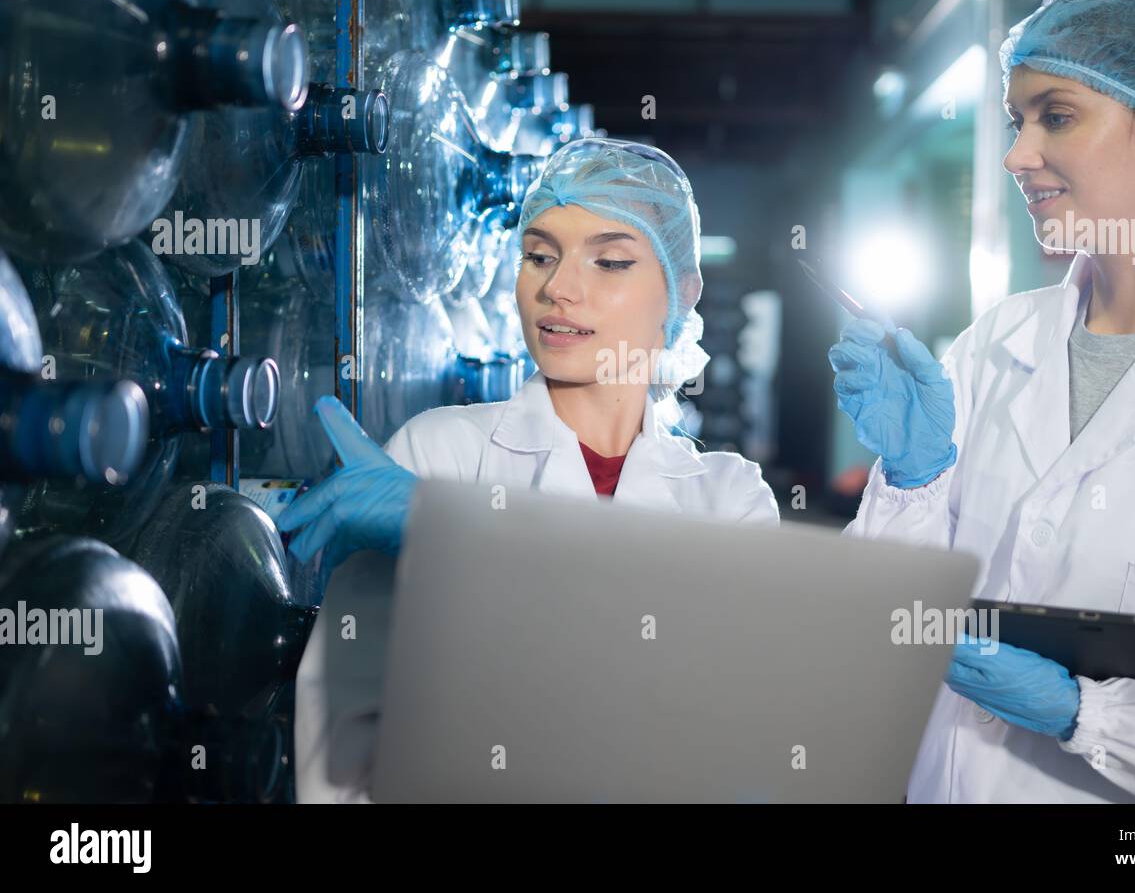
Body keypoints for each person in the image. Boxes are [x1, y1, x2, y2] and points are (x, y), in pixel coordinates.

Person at [831, 0, 1135, 802]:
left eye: (1056, 117)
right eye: (1016, 120)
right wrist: (911, 485)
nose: (1018, 155)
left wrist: (1088, 715)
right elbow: (885, 629)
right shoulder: (992, 345)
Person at [283, 137, 780, 802]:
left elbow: (706, 731)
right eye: (539, 255)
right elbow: (340, 752)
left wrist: (463, 542)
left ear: (681, 293)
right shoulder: (436, 455)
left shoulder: (729, 501)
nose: (557, 287)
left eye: (608, 261)